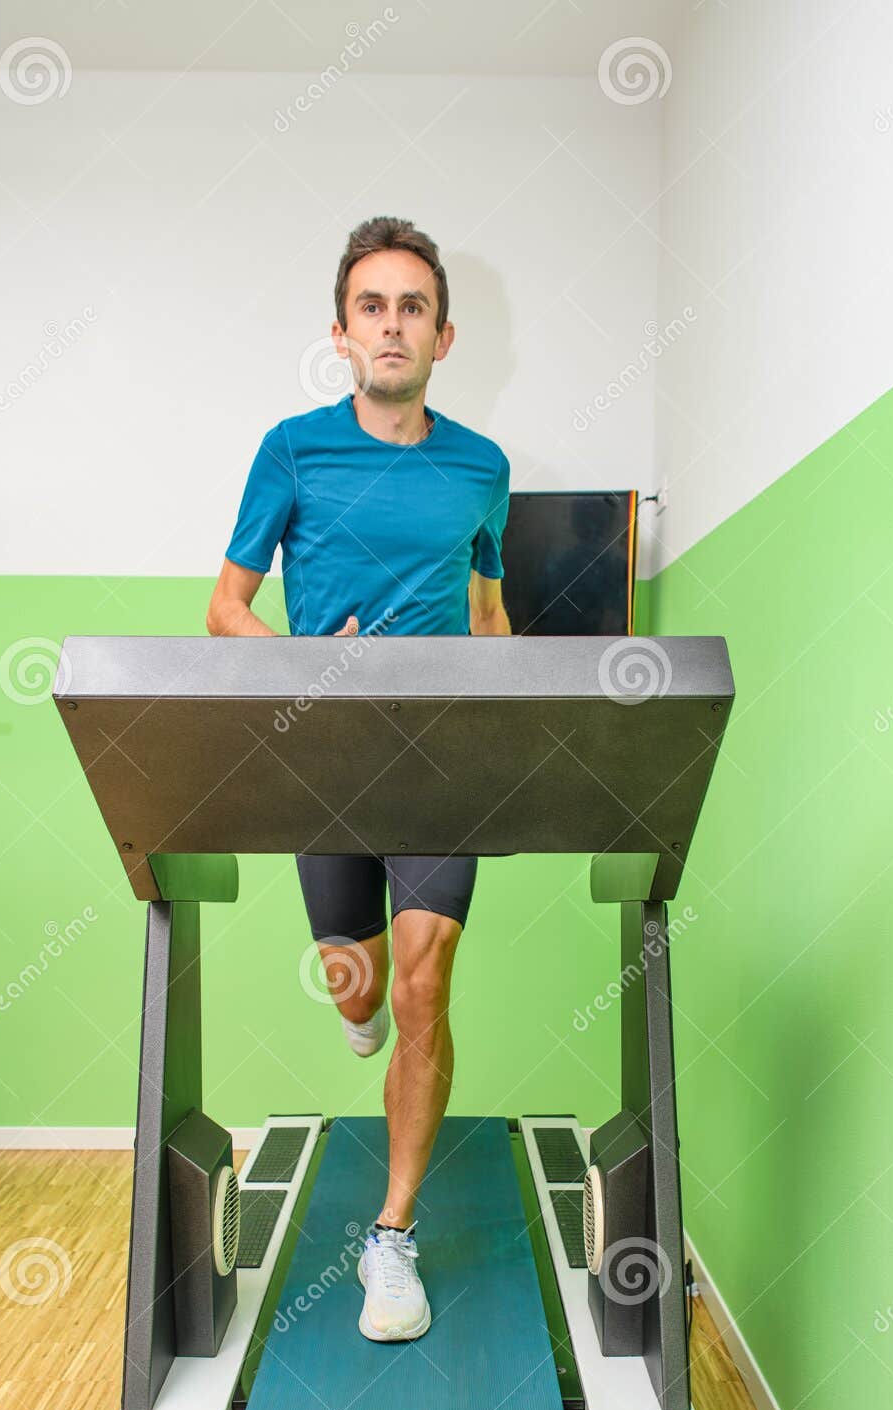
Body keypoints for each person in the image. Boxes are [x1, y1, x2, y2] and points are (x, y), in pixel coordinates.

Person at [206, 215, 511, 1345]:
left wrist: (512, 718)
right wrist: (290, 664)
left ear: (443, 332)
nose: (393, 324)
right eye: (372, 306)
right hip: (323, 756)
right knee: (363, 989)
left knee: (430, 980)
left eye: (412, 306)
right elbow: (226, 607)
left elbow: (488, 613)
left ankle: (392, 1235)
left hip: (441, 756)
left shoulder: (483, 466)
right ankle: (358, 1010)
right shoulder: (292, 449)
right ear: (341, 333)